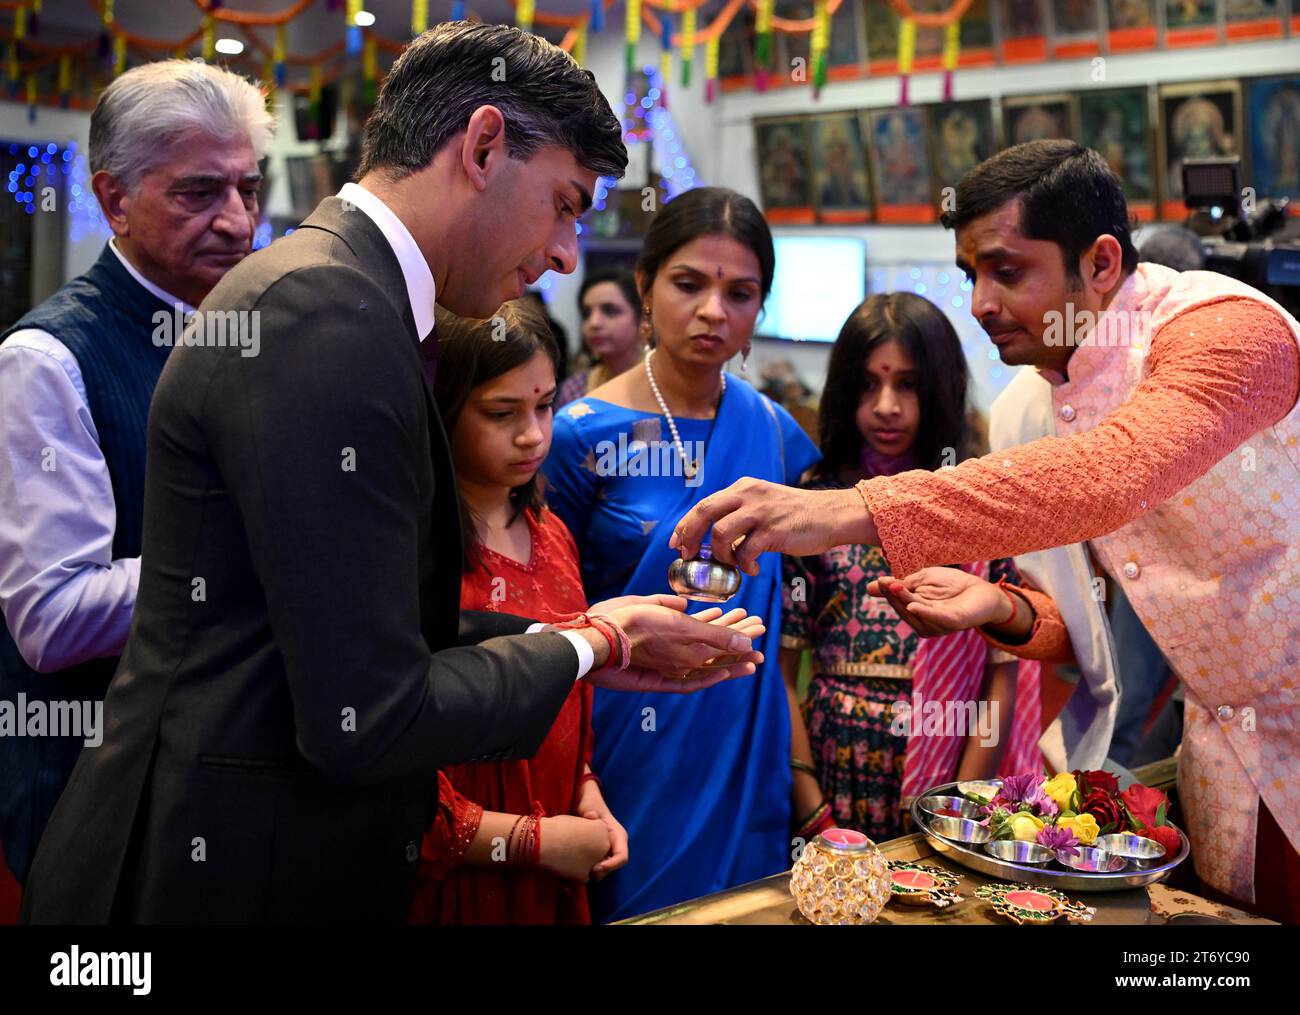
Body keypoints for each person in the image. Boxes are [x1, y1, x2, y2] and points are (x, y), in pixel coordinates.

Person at [21, 24, 762, 926]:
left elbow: (361, 618)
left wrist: (590, 633)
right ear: (483, 147)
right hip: (214, 867)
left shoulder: (348, 293)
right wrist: (590, 646)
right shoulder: (324, 310)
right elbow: (366, 714)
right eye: (564, 205)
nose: (568, 252)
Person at [671, 140, 1300, 922]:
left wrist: (843, 510)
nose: (979, 303)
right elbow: (1076, 630)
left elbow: (1117, 471)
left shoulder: (1226, 330)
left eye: (1006, 270)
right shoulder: (1024, 410)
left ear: (1101, 263)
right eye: (971, 274)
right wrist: (995, 607)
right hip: (1223, 761)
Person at [0, 60, 273, 886]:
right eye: (199, 192)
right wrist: (254, 559)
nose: (237, 221)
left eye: (249, 189)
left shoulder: (252, 332)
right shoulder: (46, 359)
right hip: (99, 804)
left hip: (231, 785)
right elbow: (52, 617)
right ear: (114, 199)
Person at [544, 186, 821, 921]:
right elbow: (546, 610)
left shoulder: (778, 434)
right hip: (621, 736)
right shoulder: (578, 435)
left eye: (740, 294)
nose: (713, 312)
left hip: (740, 727)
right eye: (689, 284)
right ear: (645, 286)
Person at [781, 293, 1057, 843]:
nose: (886, 406)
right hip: (835, 765)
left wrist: (961, 807)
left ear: (939, 389)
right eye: (867, 385)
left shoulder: (973, 503)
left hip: (951, 767)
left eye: (907, 385)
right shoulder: (817, 504)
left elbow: (1001, 677)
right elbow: (784, 675)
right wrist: (813, 813)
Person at [555, 269, 644, 409]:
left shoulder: (665, 383)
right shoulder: (575, 390)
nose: (594, 323)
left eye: (610, 311)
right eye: (587, 314)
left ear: (643, 318)